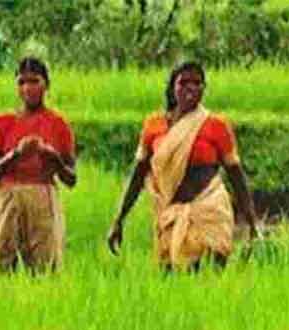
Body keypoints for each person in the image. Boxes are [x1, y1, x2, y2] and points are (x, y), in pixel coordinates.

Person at [107, 61, 258, 270]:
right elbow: (138, 175)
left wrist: (251, 222)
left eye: (197, 83)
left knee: (210, 276)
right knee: (170, 278)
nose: (190, 88)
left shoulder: (216, 126)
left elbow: (236, 177)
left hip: (209, 211)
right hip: (170, 214)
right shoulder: (154, 126)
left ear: (204, 88)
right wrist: (119, 219)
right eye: (183, 82)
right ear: (173, 87)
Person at [0, 57, 76, 273]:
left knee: (46, 268)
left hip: (43, 197)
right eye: (22, 82)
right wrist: (15, 155)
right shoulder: (2, 123)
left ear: (46, 85)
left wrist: (53, 158)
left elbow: (71, 178)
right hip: (9, 197)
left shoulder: (58, 124)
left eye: (34, 81)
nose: (28, 88)